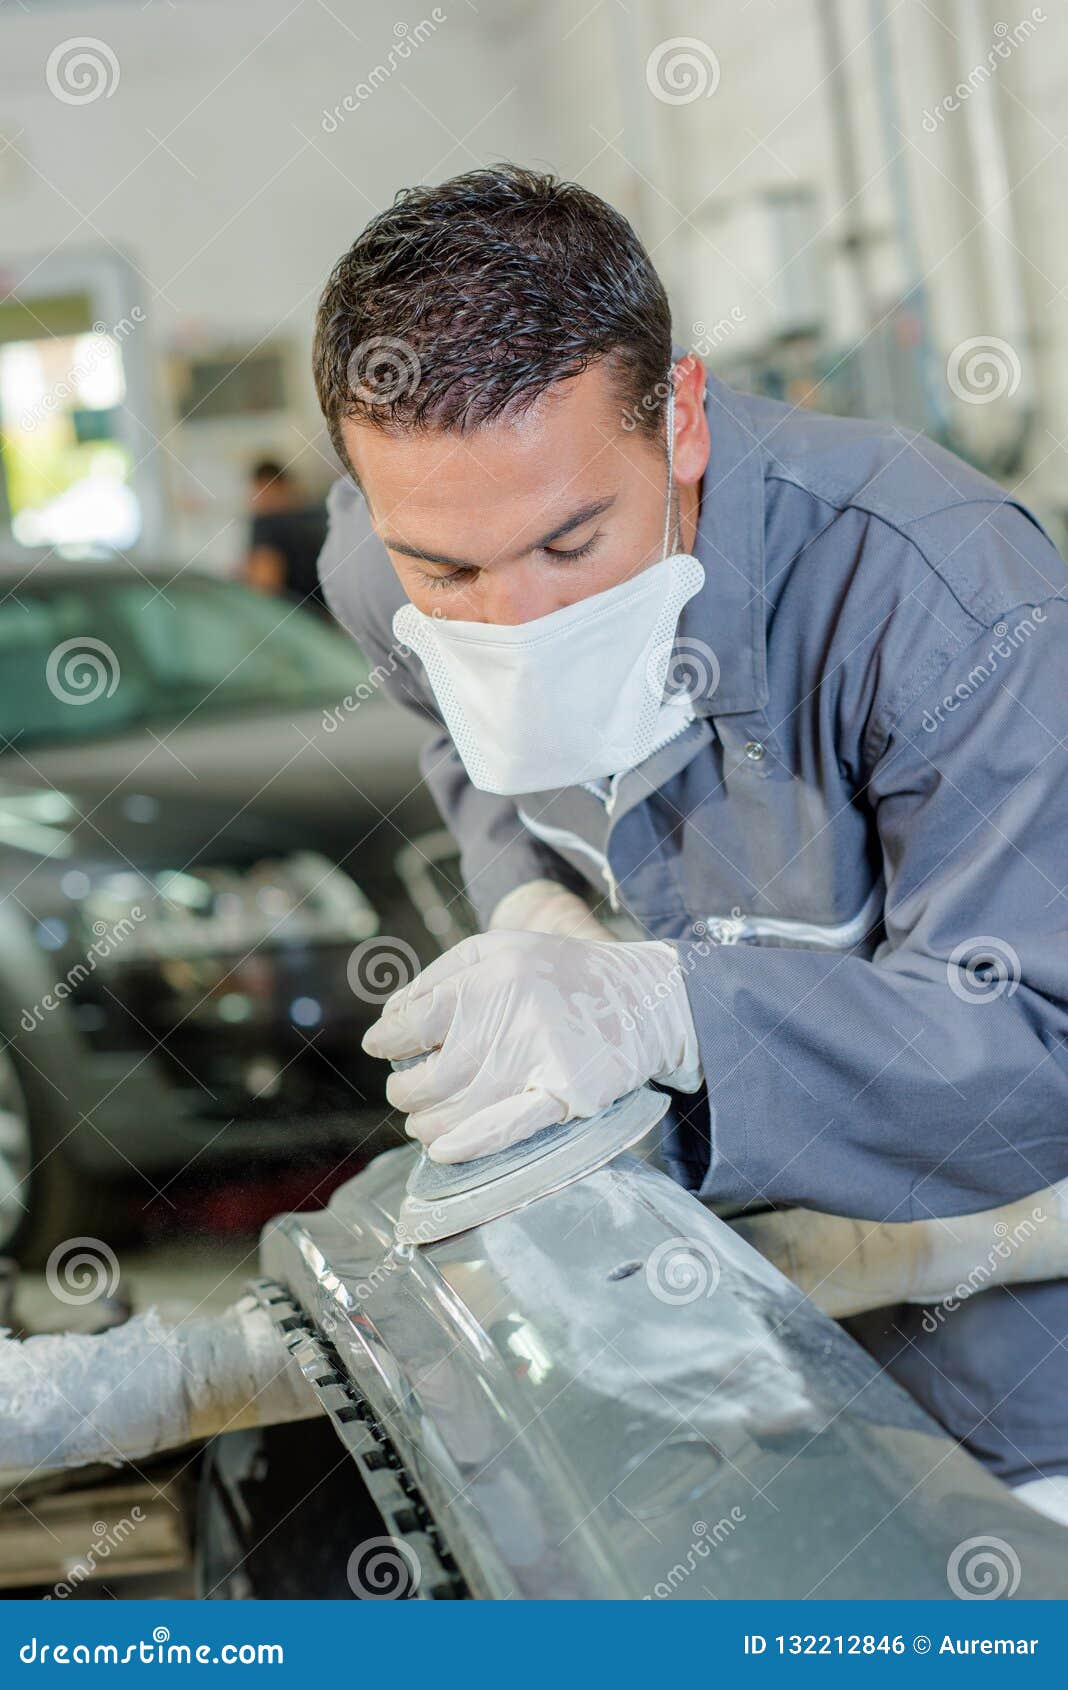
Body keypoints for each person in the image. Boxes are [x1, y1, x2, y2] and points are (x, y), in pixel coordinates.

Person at [313, 165, 1068, 1520]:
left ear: (683, 420)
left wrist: (669, 1008)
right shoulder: (378, 569)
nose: (508, 618)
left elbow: (1040, 1049)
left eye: (569, 540)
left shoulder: (951, 602)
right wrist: (532, 908)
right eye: (449, 570)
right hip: (710, 1368)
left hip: (1013, 1386)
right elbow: (466, 758)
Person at [244, 459, 328, 609]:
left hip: (287, 618)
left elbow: (265, 582)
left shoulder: (266, 523)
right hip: (321, 618)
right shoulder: (317, 516)